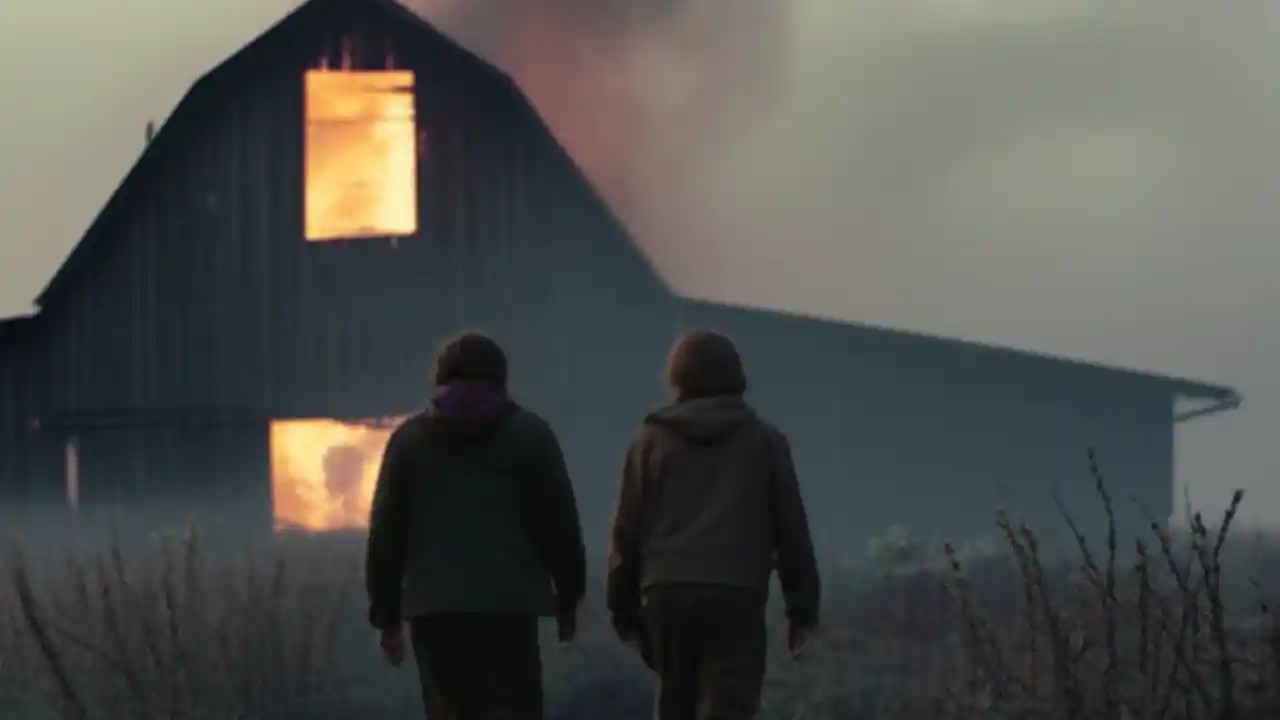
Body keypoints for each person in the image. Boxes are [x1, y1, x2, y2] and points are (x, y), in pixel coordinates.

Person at [365, 331, 586, 720]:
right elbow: (559, 523)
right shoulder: (530, 435)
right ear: (500, 378)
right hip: (508, 610)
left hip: (434, 612)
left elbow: (386, 533)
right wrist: (568, 599)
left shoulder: (408, 441)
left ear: (441, 379)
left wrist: (387, 617)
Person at [607, 329, 821, 720]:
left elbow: (626, 530)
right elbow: (791, 530)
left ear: (676, 375)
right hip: (736, 594)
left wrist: (623, 609)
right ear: (736, 374)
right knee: (729, 708)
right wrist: (802, 610)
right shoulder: (765, 441)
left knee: (674, 706)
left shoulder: (649, 441)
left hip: (666, 593)